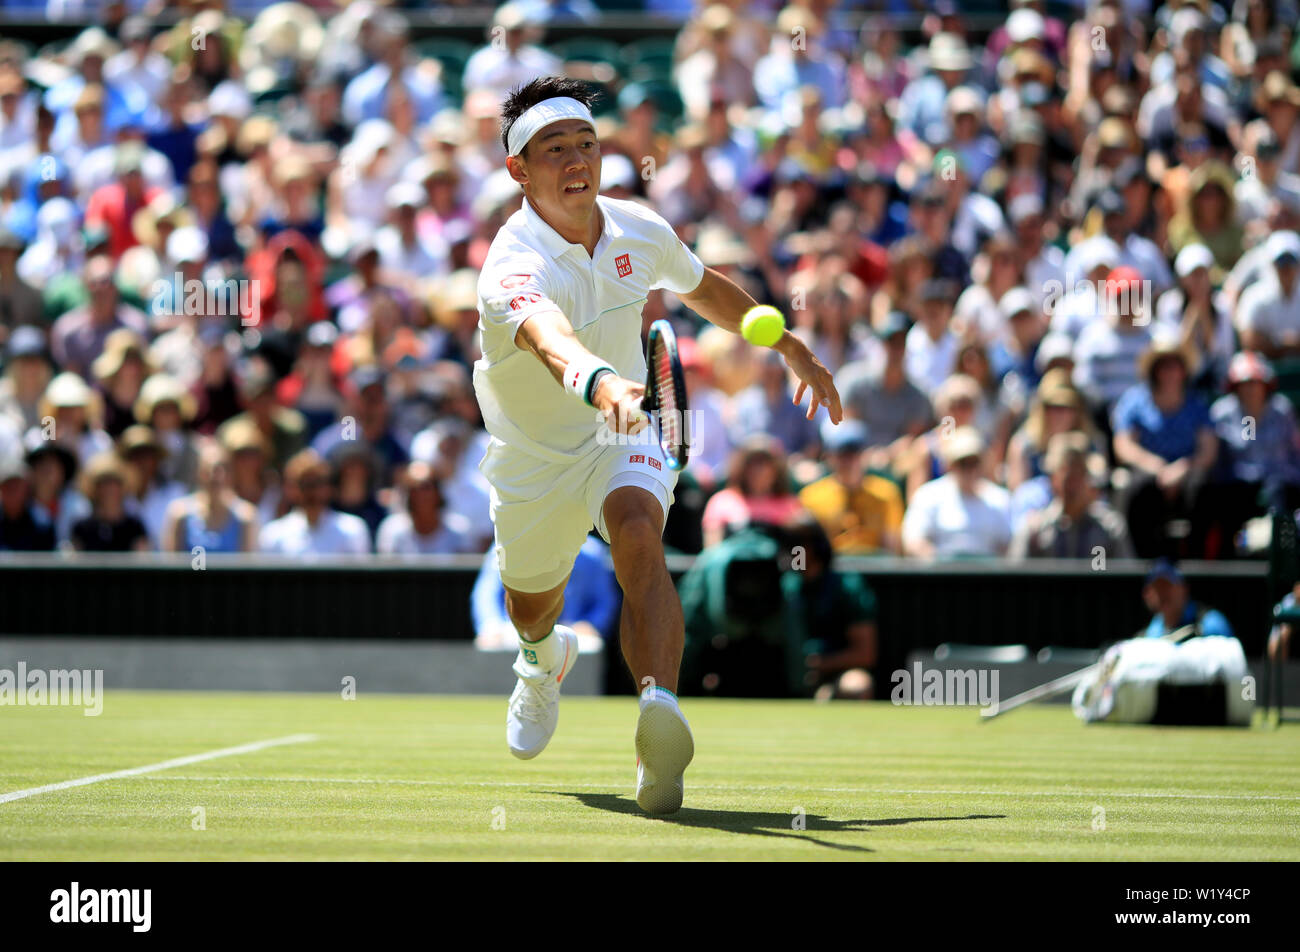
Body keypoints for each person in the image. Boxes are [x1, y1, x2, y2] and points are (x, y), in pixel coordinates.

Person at [472, 78, 839, 814]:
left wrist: (785, 340)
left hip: (623, 430)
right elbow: (550, 339)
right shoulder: (509, 267)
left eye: (588, 144)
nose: (578, 160)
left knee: (639, 533)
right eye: (555, 150)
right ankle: (542, 661)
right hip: (536, 455)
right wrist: (601, 381)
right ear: (519, 170)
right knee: (530, 607)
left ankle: (658, 718)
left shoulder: (638, 228)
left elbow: (704, 289)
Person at [1010, 431, 1133, 560]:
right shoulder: (1035, 531)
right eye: (1068, 478)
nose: (1074, 486)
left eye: (1080, 475)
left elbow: (1117, 573)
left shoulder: (1108, 529)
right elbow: (1015, 575)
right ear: (1054, 480)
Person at [902, 426, 1012, 559]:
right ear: (950, 465)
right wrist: (940, 566)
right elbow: (913, 541)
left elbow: (1008, 546)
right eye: (963, 463)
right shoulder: (928, 496)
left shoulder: (999, 498)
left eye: (974, 463)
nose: (970, 470)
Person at [797, 420, 903, 555]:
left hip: (875, 569)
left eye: (855, 454)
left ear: (865, 456)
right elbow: (804, 548)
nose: (850, 462)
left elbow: (892, 548)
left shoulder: (886, 493)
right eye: (843, 455)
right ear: (829, 457)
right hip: (831, 569)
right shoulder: (811, 496)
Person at [258, 449, 371, 557]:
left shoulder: (353, 530)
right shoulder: (273, 535)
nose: (312, 493)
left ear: (328, 487)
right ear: (292, 489)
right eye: (305, 484)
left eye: (318, 483)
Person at [1141, 559, 1234, 640]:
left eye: (1167, 586)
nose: (1163, 594)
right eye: (1157, 588)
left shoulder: (1211, 624)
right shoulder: (1149, 634)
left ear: (1183, 589)